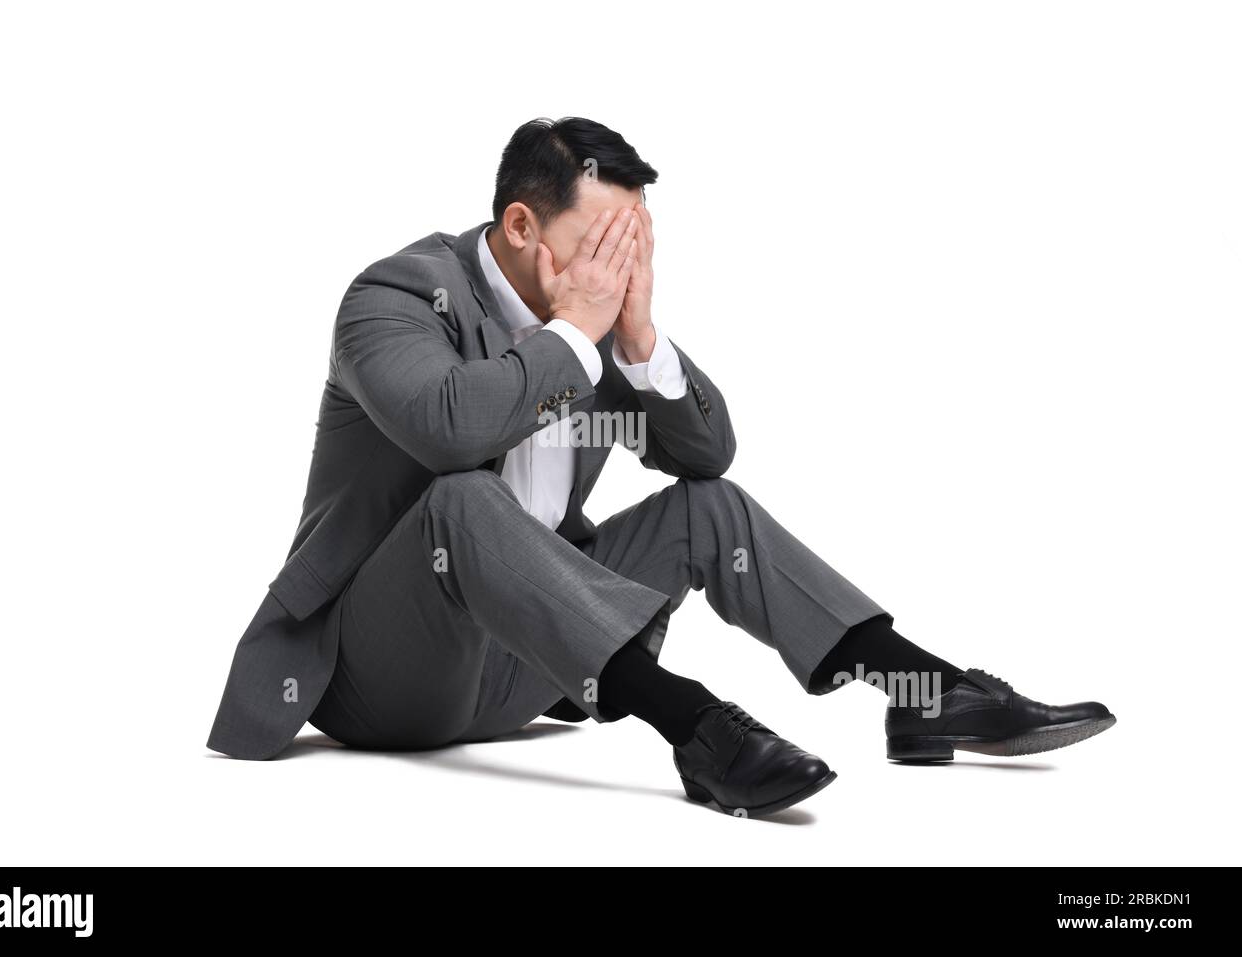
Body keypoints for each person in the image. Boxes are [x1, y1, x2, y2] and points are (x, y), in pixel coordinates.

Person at [207, 117, 1115, 817]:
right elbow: (450, 430)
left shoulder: (602, 329)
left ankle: (927, 692)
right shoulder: (394, 296)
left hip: (528, 668)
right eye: (604, 243)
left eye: (635, 244)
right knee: (462, 500)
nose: (621, 268)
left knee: (706, 507)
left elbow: (706, 454)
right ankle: (697, 726)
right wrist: (576, 337)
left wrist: (638, 341)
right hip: (383, 680)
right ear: (522, 226)